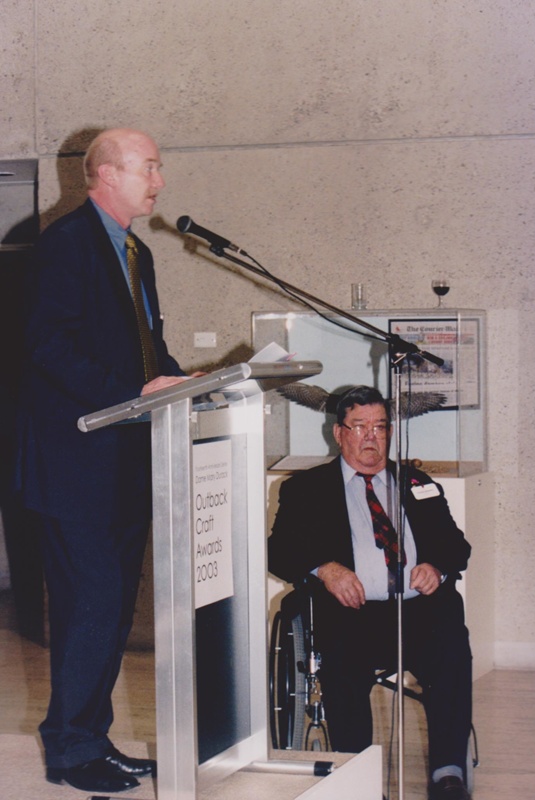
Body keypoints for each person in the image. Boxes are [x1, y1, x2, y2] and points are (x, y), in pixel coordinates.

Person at [16, 128, 193, 794]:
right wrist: (132, 394)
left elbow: (148, 348)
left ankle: (91, 738)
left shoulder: (135, 251)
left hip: (125, 461)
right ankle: (69, 750)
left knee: (111, 610)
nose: (159, 180)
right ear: (107, 174)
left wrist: (186, 382)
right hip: (76, 465)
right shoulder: (67, 244)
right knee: (90, 605)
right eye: (150, 167)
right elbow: (48, 346)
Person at [268, 385, 473, 800]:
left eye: (379, 427)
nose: (370, 437)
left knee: (451, 646)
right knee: (342, 661)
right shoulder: (306, 488)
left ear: (390, 432)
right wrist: (325, 569)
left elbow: (457, 546)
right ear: (338, 433)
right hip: (350, 613)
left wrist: (436, 566)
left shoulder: (416, 483)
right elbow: (280, 552)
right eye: (359, 427)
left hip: (419, 613)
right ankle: (359, 774)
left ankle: (447, 772)